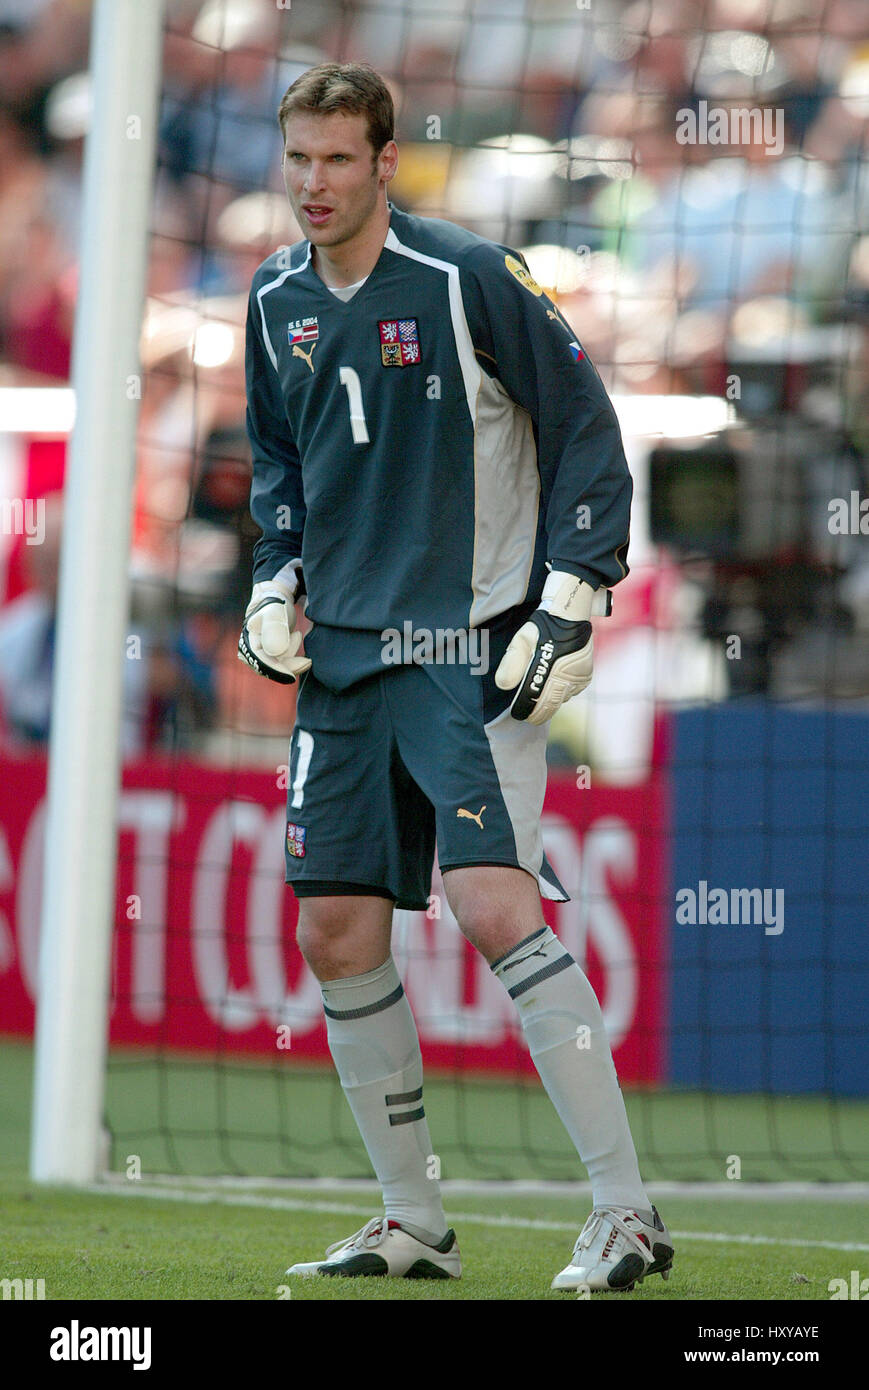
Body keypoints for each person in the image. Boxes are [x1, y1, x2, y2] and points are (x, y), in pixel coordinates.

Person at [239, 61, 674, 1293]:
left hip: (466, 650)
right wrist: (274, 580)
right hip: (342, 665)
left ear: (386, 163)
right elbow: (278, 471)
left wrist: (573, 596)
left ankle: (625, 1211)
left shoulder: (470, 277)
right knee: (334, 932)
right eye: (298, 160)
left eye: (336, 160)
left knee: (494, 910)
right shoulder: (273, 299)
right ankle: (409, 1218)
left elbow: (585, 429)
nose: (312, 184)